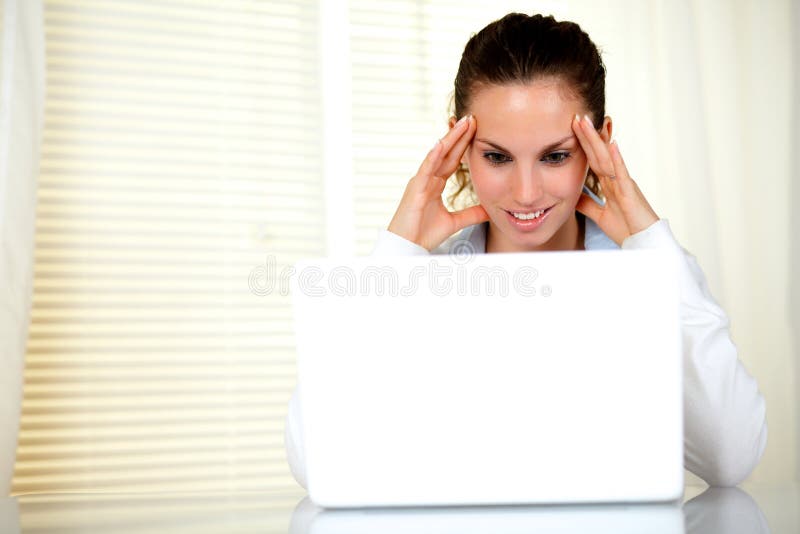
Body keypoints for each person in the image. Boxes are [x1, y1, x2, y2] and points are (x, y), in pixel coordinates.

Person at [285, 12, 767, 489]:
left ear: (600, 142)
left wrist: (650, 240)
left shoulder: (651, 277)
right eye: (497, 156)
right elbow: (316, 464)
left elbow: (731, 458)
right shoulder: (413, 286)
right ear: (460, 145)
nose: (526, 192)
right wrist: (397, 254)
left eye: (555, 156)